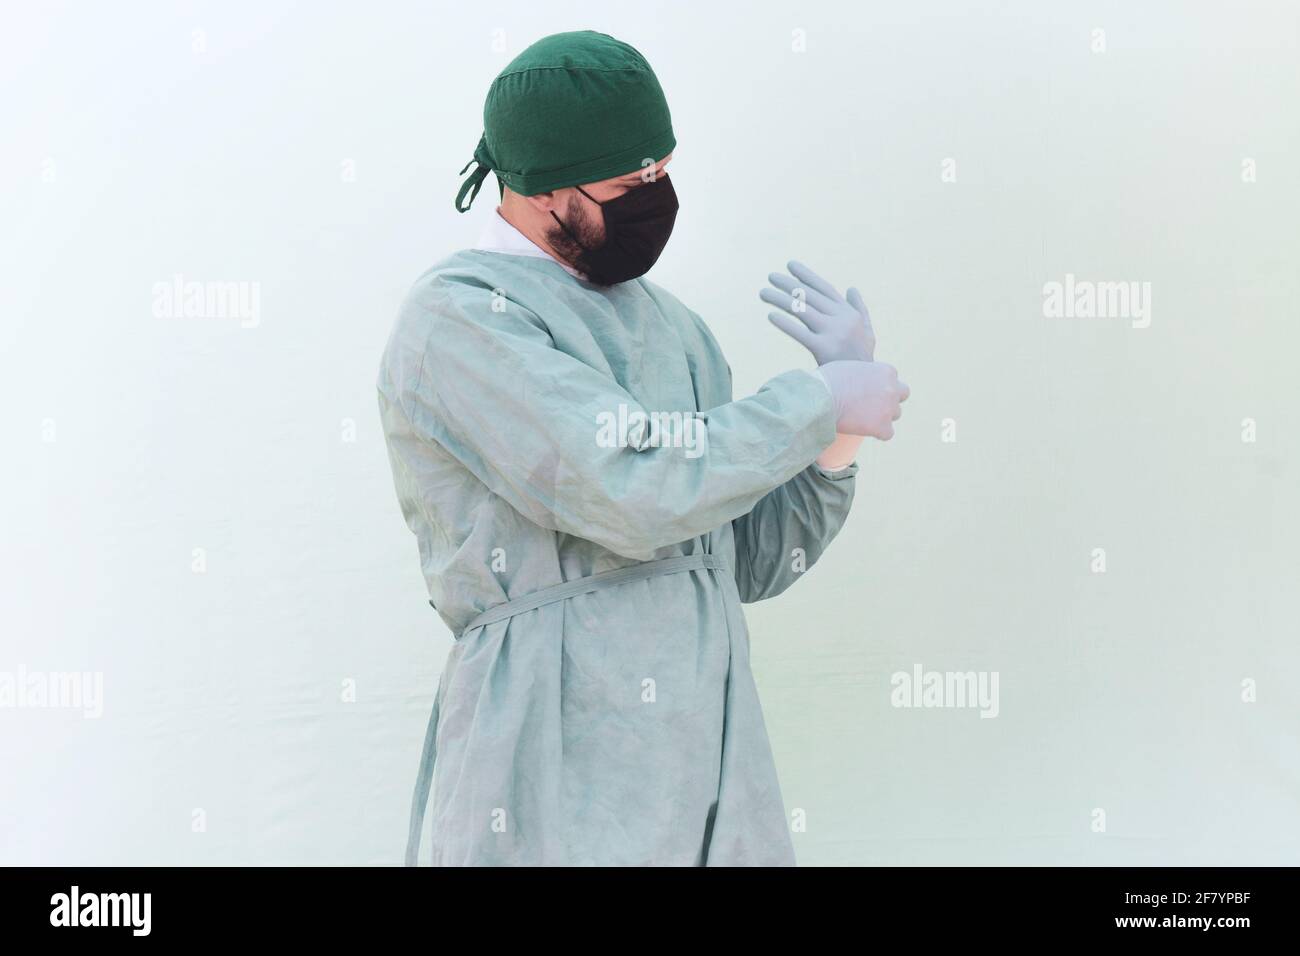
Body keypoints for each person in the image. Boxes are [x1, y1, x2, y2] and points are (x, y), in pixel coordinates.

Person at [377, 29, 908, 866]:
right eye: (634, 180)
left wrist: (837, 435)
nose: (656, 195)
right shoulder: (462, 322)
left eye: (663, 171)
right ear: (547, 186)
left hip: (706, 759)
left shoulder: (675, 330)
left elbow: (747, 560)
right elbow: (631, 489)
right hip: (548, 743)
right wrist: (811, 402)